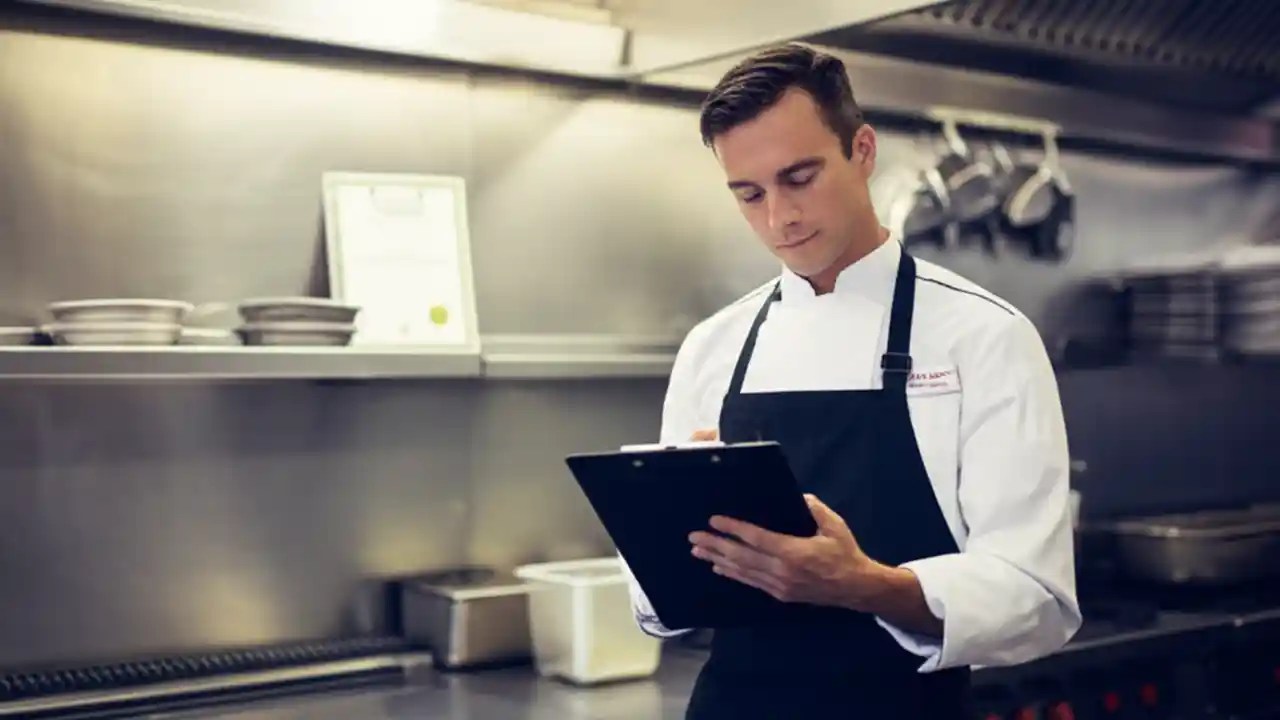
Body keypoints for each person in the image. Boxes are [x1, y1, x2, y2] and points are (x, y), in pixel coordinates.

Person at [622, 43, 1081, 719]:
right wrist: (671, 537)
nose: (779, 218)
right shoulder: (713, 348)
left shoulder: (985, 337)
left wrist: (863, 585)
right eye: (748, 194)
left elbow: (1036, 597)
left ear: (862, 151)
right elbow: (659, 598)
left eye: (800, 177)